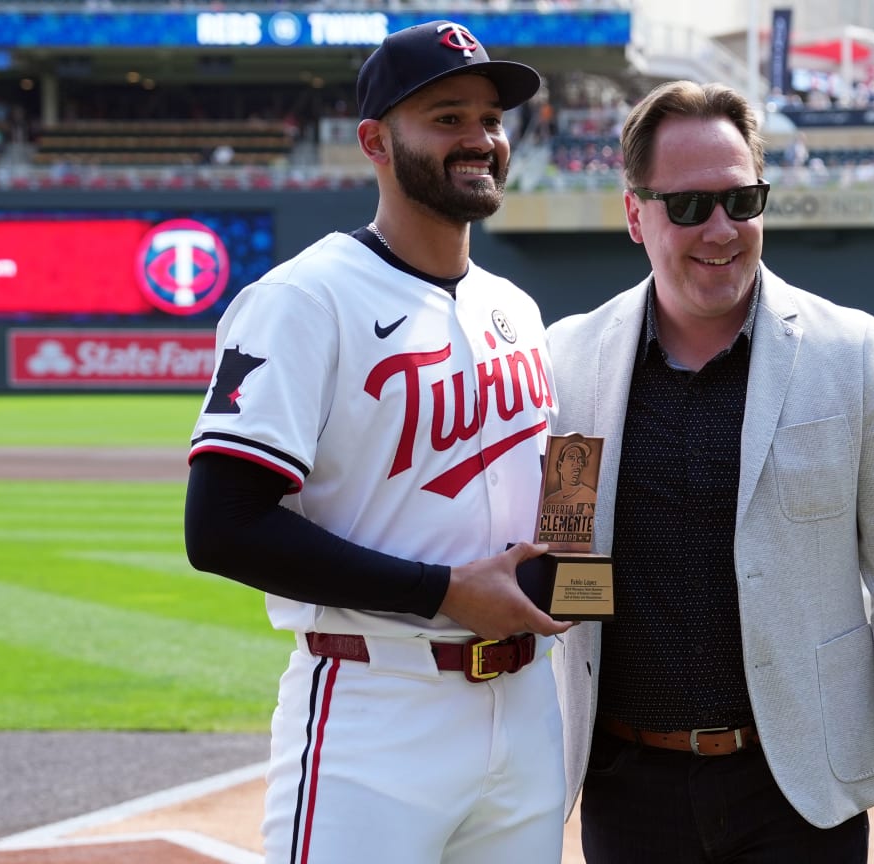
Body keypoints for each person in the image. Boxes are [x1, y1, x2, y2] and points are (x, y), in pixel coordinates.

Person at [183, 20, 572, 864]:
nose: (479, 139)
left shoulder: (516, 309)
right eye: (447, 117)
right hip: (375, 706)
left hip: (528, 709)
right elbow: (220, 529)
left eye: (491, 119)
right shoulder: (302, 299)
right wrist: (441, 592)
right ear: (376, 141)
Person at [547, 80, 874, 863]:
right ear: (635, 215)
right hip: (628, 785)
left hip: (798, 787)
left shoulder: (851, 351)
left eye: (742, 200)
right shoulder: (569, 358)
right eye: (689, 206)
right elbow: (571, 552)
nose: (720, 228)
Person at [544, 439, 598, 508]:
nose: (577, 464)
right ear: (560, 466)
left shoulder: (590, 496)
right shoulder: (550, 501)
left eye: (580, 460)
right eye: (571, 458)